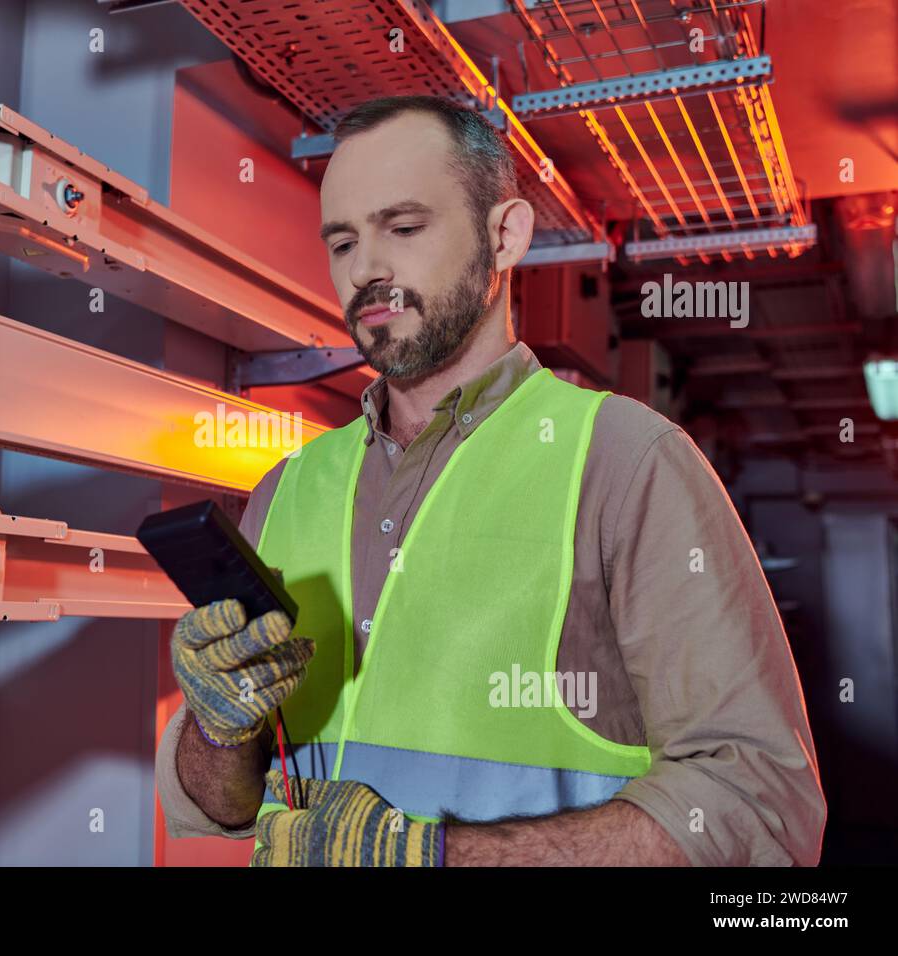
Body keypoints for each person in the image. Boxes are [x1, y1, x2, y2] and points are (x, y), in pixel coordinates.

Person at [155, 94, 826, 867]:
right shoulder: (287, 486)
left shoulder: (626, 462)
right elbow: (224, 804)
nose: (366, 268)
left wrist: (439, 856)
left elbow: (758, 805)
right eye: (342, 241)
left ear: (505, 236)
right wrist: (218, 728)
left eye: (403, 228)